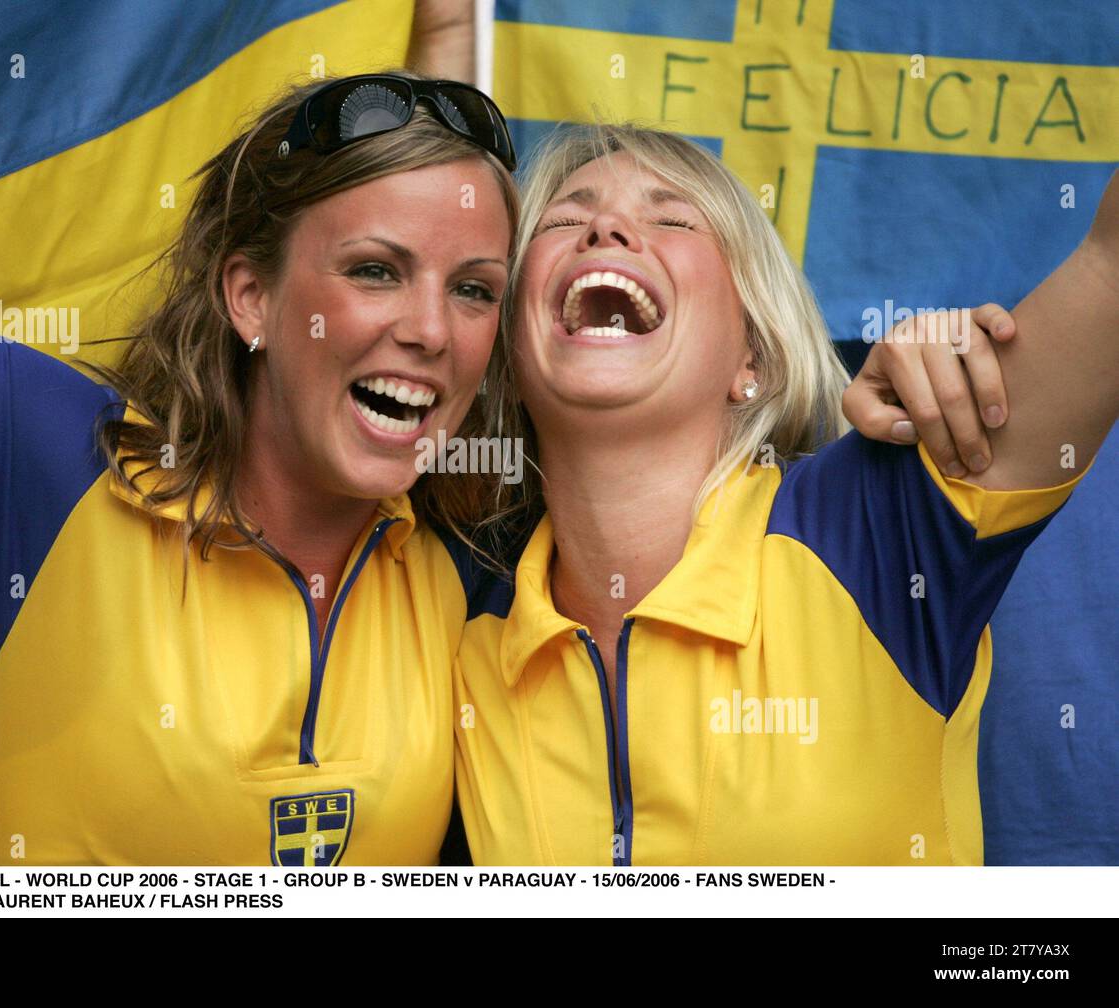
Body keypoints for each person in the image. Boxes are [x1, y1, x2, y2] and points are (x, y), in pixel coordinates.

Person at [0, 72, 520, 865]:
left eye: (473, 289)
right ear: (251, 295)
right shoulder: (44, 463)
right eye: (374, 271)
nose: (431, 330)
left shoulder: (478, 563)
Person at [451, 124, 1117, 866]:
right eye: (564, 220)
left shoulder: (880, 525)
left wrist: (948, 382)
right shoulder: (457, 609)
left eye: (671, 218)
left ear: (754, 358)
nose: (605, 228)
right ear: (507, 341)